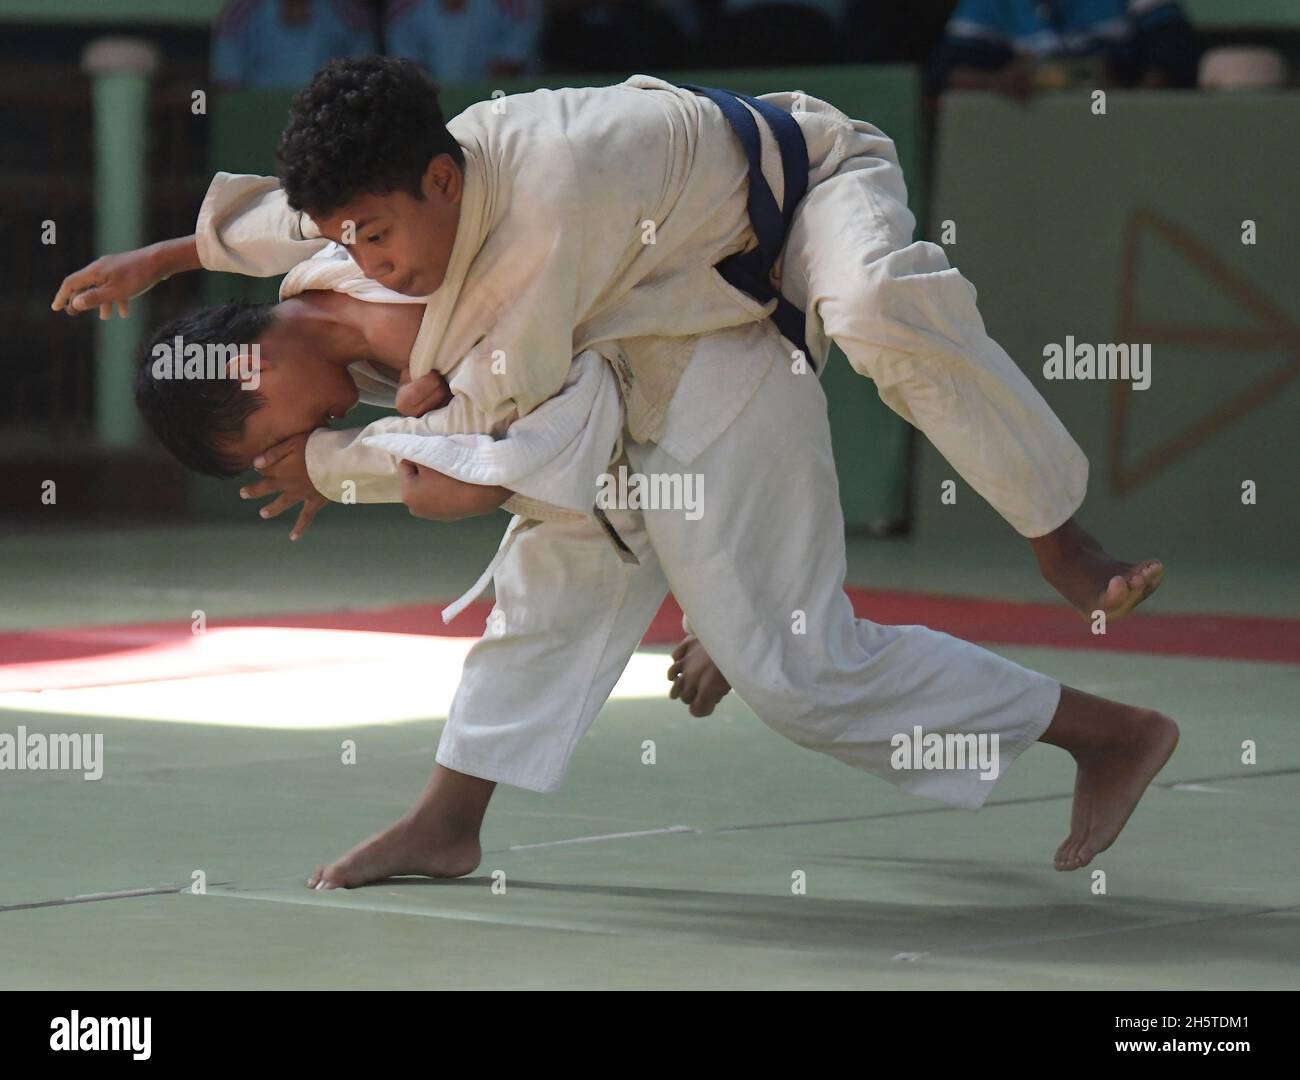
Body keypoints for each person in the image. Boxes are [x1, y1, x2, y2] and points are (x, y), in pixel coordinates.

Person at [53, 56, 1176, 883]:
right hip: (673, 321)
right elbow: (281, 225)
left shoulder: (520, 247)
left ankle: (1064, 572)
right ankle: (451, 819)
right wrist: (159, 257)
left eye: (268, 442)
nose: (286, 457)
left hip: (793, 213)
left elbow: (495, 476)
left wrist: (344, 465)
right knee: (564, 568)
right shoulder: (363, 230)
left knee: (870, 339)